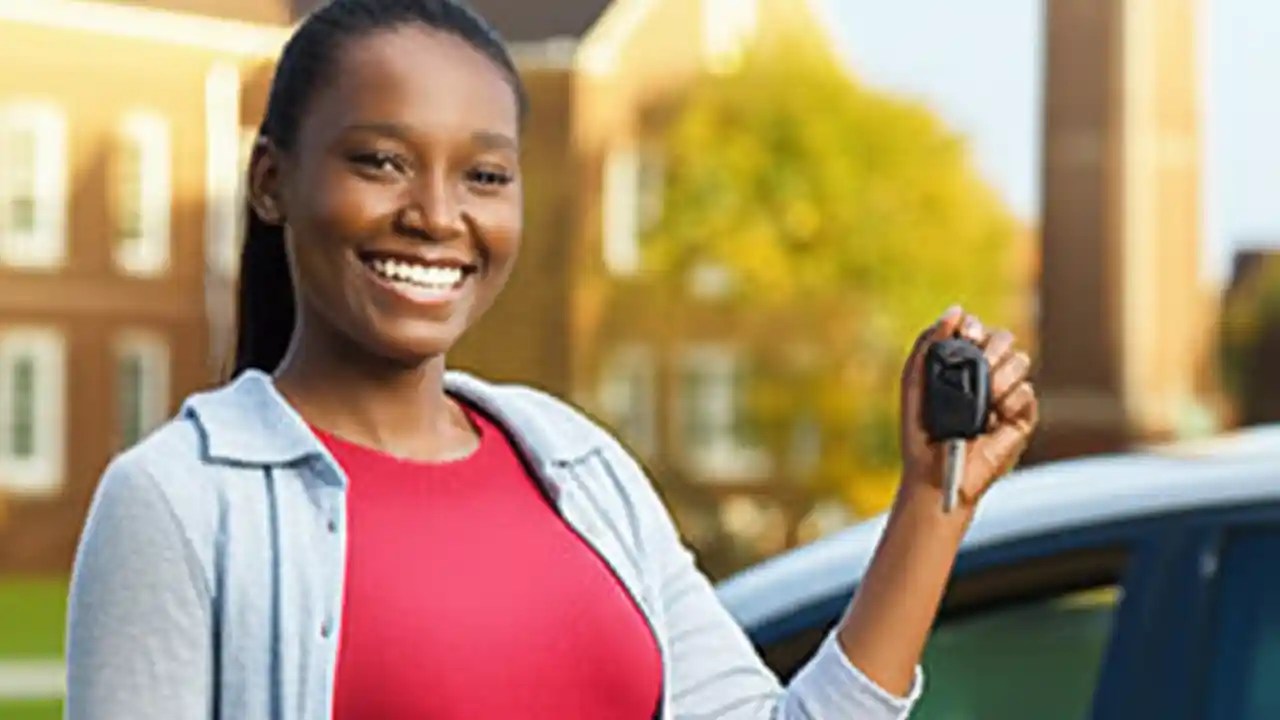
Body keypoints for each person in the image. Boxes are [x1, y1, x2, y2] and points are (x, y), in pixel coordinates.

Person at [64, 1, 1039, 718]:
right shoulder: (183, 503)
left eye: (483, 175)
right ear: (272, 183)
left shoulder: (578, 469)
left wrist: (932, 502)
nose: (438, 215)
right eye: (381, 161)